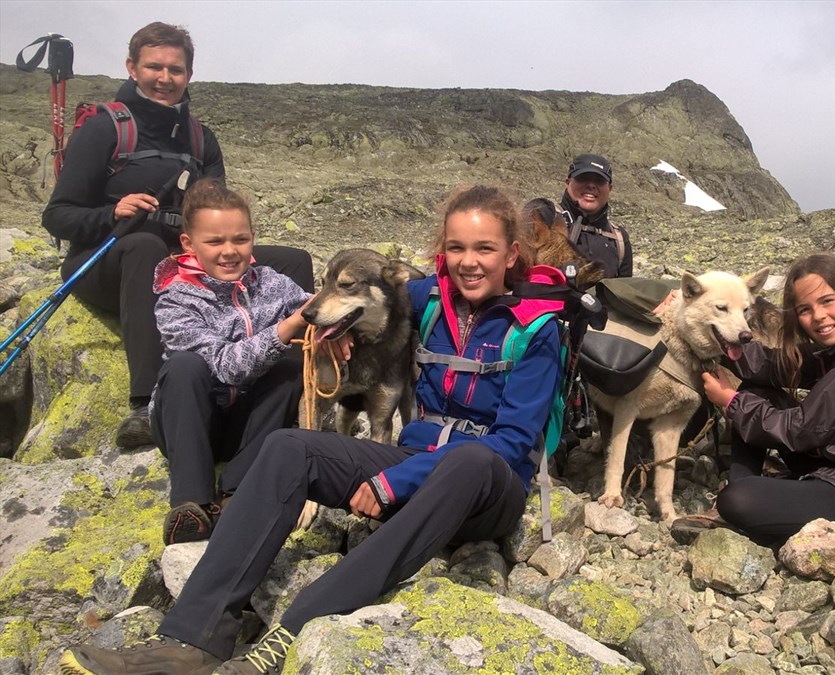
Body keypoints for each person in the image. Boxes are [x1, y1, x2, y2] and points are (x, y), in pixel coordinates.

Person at [59, 185, 566, 675]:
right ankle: (189, 638)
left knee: (472, 458)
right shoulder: (430, 297)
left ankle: (288, 636)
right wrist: (327, 330)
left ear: (510, 253)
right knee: (288, 447)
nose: (468, 262)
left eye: (484, 249)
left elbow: (512, 443)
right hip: (414, 463)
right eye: (456, 248)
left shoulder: (536, 328)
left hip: (486, 487)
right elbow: (347, 295)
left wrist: (396, 482)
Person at [41, 22, 314, 451]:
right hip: (106, 261)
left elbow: (215, 217)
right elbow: (58, 217)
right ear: (132, 67)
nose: (165, 78)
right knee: (146, 247)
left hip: (181, 262)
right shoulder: (104, 128)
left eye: (176, 69)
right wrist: (112, 213)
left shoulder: (201, 139)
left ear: (189, 74)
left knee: (293, 259)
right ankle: (146, 403)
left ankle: (298, 379)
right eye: (155, 67)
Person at [685, 253, 835, 544]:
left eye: (827, 301)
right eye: (805, 309)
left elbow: (801, 430)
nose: (818, 316)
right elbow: (772, 366)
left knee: (737, 500)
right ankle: (753, 492)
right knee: (756, 390)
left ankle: (743, 503)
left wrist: (730, 402)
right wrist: (716, 336)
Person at [151, 178, 323, 546]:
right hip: (189, 427)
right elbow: (224, 366)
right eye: (215, 242)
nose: (229, 251)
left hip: (245, 429)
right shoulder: (176, 299)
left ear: (252, 238)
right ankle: (191, 504)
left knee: (292, 368)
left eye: (240, 240)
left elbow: (316, 308)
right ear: (189, 244)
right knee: (184, 367)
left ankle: (237, 492)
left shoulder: (272, 283)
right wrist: (287, 327)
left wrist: (333, 332)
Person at [559, 153, 632, 279]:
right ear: (568, 182)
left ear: (610, 188)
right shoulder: (544, 218)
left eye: (599, 181)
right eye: (583, 178)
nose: (591, 185)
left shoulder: (619, 240)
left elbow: (623, 288)